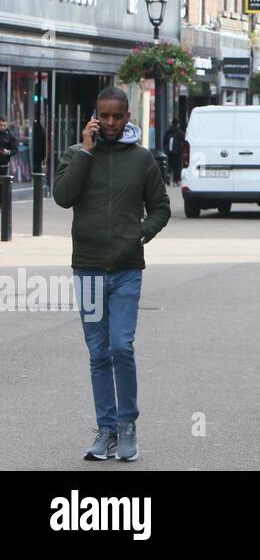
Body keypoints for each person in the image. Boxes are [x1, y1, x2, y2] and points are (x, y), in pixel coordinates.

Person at [53, 86, 171, 463]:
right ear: (94, 117)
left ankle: (127, 424)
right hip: (87, 268)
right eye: (103, 116)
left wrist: (140, 233)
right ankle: (106, 430)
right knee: (98, 353)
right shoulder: (75, 153)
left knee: (121, 346)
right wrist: (86, 153)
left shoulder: (141, 159)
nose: (110, 122)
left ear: (127, 117)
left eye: (117, 116)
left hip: (126, 269)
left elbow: (161, 207)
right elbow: (63, 197)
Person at [162, 119, 184, 186]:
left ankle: (168, 180)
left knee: (170, 166)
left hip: (169, 152)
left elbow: (164, 141)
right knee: (177, 166)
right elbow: (183, 142)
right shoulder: (180, 132)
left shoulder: (168, 131)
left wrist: (166, 149)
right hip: (177, 152)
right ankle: (176, 181)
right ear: (178, 124)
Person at [31, 114, 47, 194]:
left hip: (37, 152)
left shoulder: (39, 128)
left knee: (37, 170)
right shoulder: (40, 128)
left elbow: (43, 143)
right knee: (37, 170)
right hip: (37, 152)